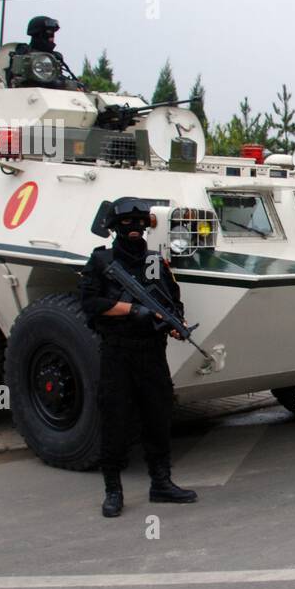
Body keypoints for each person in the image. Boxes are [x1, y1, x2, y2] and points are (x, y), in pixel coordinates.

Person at [78, 197, 198, 517]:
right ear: (115, 228)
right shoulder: (102, 262)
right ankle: (113, 490)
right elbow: (90, 304)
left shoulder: (155, 262)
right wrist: (134, 310)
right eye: (127, 224)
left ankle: (161, 482)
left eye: (139, 224)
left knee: (158, 417)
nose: (134, 229)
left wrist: (176, 324)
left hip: (151, 352)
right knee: (115, 420)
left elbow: (172, 300)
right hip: (117, 352)